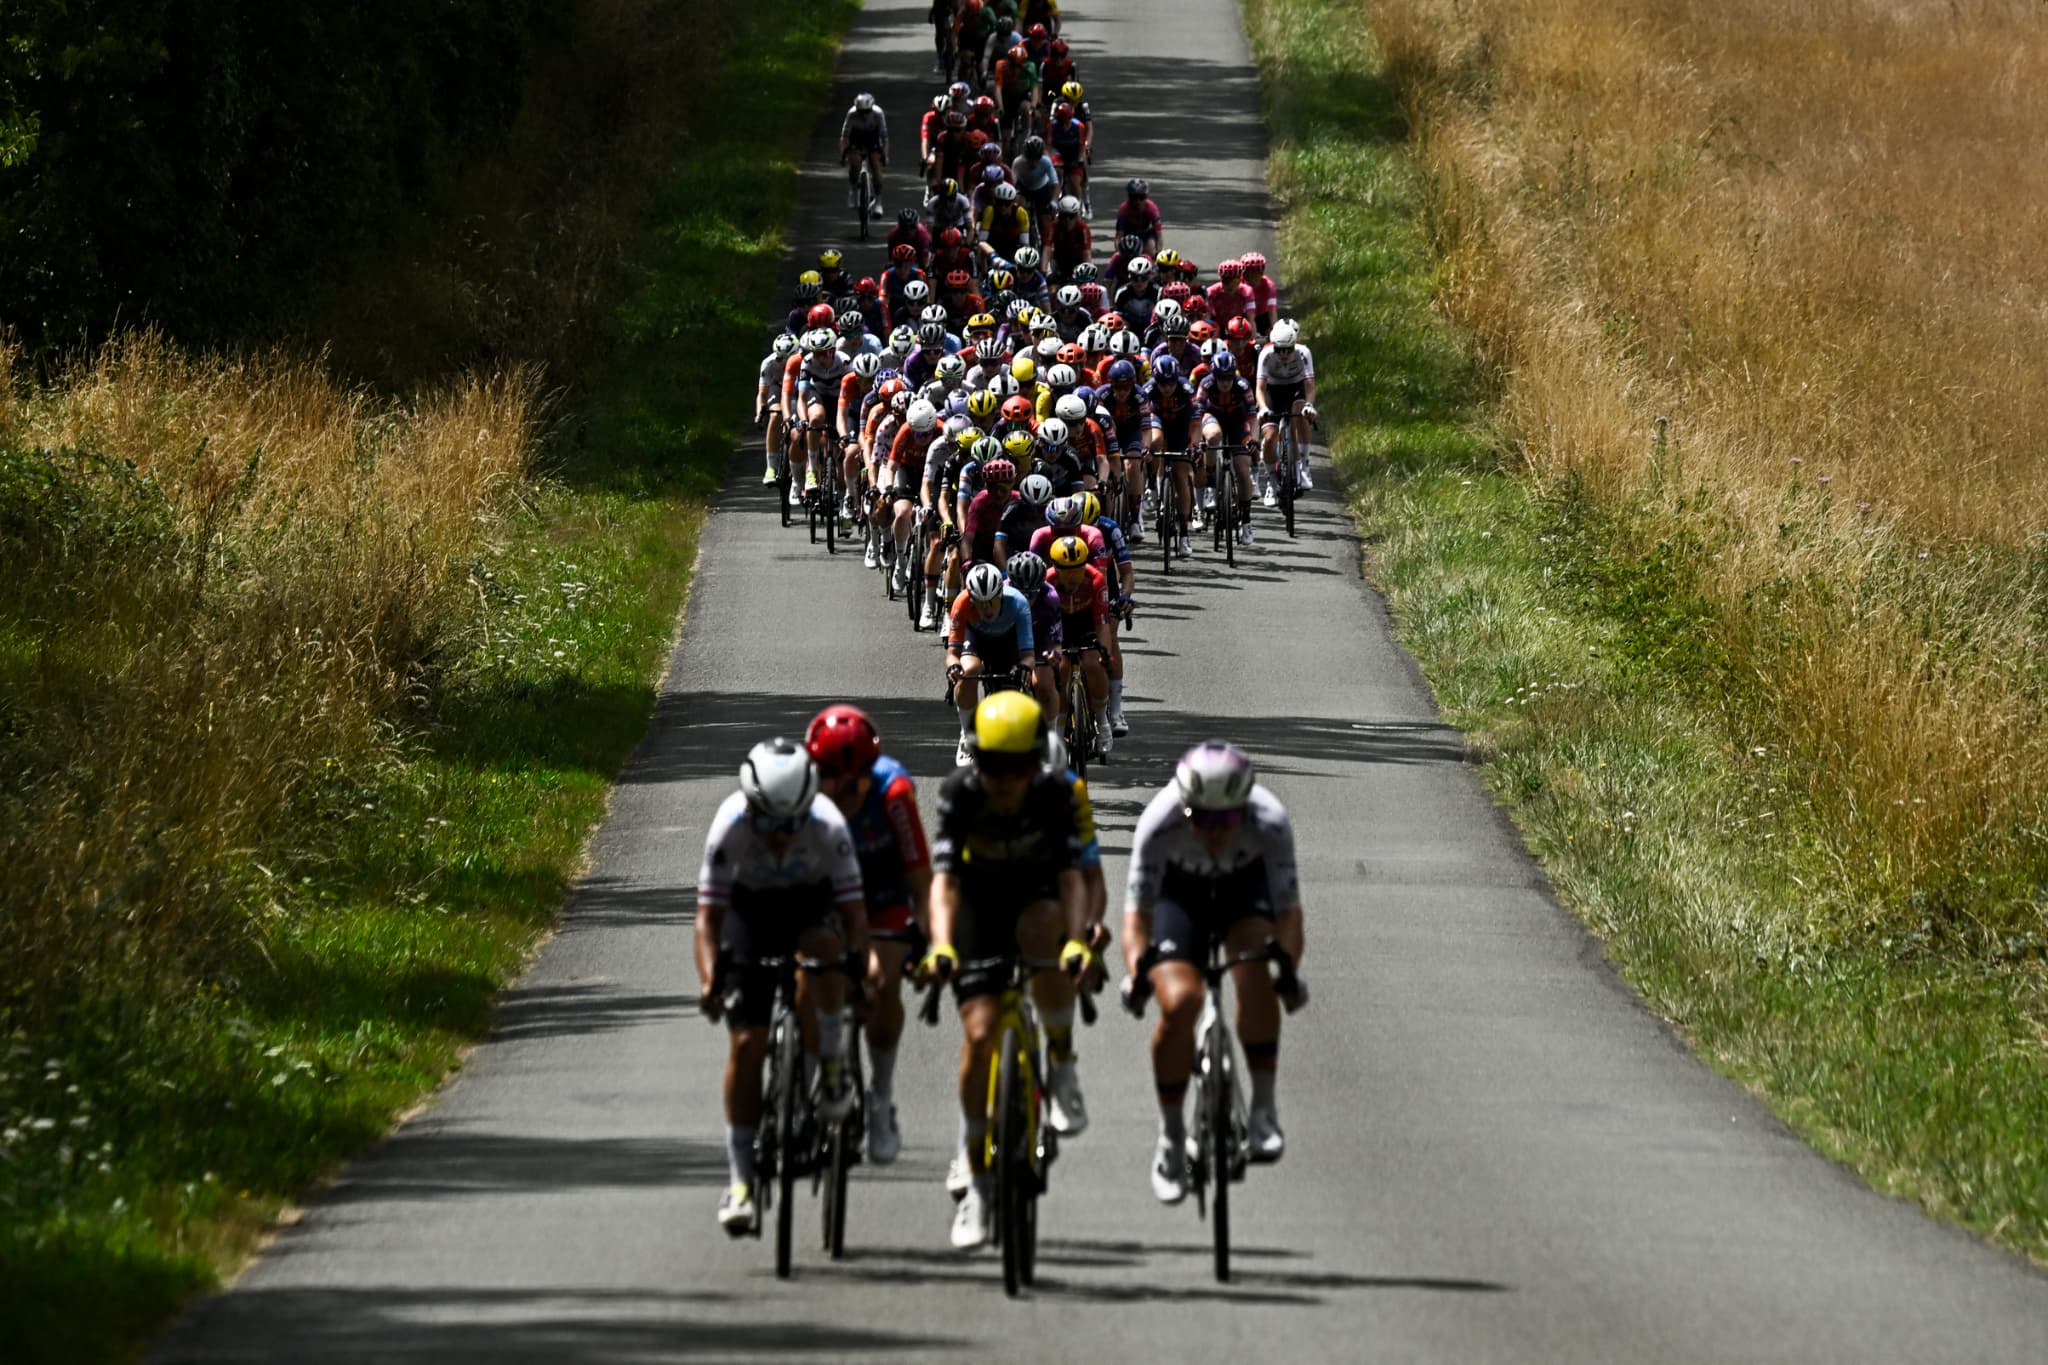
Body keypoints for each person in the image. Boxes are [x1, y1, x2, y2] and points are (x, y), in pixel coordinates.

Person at [917, 691, 1099, 1248]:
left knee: (1048, 933)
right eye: (991, 765)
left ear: (1034, 763)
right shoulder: (960, 794)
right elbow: (944, 883)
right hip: (978, 904)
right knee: (979, 1034)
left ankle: (1062, 1061)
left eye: (1015, 767)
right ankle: (974, 1175)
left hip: (1039, 893)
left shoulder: (1058, 793)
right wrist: (942, 945)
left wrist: (1077, 941)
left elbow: (1076, 879)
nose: (1002, 779)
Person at [1119, 742, 1307, 1205]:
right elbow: (1136, 918)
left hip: (1244, 891)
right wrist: (1138, 971)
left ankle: (1263, 1110)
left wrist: (1287, 967)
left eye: (1227, 820)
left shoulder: (1270, 820)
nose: (1216, 830)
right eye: (1203, 818)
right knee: (1181, 1002)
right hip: (1178, 896)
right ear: (1184, 805)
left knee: (1255, 972)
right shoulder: (1159, 822)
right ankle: (1169, 1138)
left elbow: (1289, 915)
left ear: (1245, 806)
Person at [695, 739, 869, 1235]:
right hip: (749, 914)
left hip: (808, 908)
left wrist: (858, 967)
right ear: (751, 805)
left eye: (790, 824)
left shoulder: (828, 825)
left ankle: (830, 1061)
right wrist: (711, 978)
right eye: (768, 823)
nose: (778, 836)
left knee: (819, 964)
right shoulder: (730, 824)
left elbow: (855, 916)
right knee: (746, 1043)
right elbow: (708, 918)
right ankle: (742, 1179)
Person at [805, 706, 931, 1166]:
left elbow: (920, 879)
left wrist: (929, 941)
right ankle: (811, 1076)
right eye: (824, 778)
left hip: (882, 887)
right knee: (810, 977)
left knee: (881, 981)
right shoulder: (802, 793)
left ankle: (879, 1100)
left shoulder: (894, 793)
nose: (834, 793)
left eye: (846, 783)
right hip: (822, 888)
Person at [944, 562, 1037, 766]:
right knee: (969, 671)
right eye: (980, 603)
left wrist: (1024, 667)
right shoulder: (961, 603)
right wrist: (953, 667)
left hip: (1009, 641)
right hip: (977, 639)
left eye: (991, 602)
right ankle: (967, 736)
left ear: (1001, 595)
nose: (986, 609)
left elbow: (1029, 655)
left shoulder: (1018, 603)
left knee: (1025, 679)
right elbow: (952, 654)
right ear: (971, 598)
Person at [1255, 318, 1318, 502]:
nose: (1283, 354)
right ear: (1273, 345)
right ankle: (1272, 484)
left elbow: (1310, 385)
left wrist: (1309, 405)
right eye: (1279, 349)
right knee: (1269, 437)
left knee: (1301, 412)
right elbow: (1260, 388)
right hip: (1273, 391)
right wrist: (1264, 408)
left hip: (1295, 387)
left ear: (1294, 345)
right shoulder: (1266, 354)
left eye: (1287, 350)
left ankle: (1304, 466)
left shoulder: (1304, 352)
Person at [1116, 178, 1163, 257]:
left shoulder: (1152, 208)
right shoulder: (1124, 209)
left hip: (1145, 234)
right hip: (1129, 234)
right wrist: (1119, 254)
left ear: (1145, 197)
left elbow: (1159, 235)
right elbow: (1118, 237)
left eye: (1141, 197)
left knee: (1151, 251)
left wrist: (1158, 255)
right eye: (1134, 197)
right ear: (1129, 197)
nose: (1138, 201)